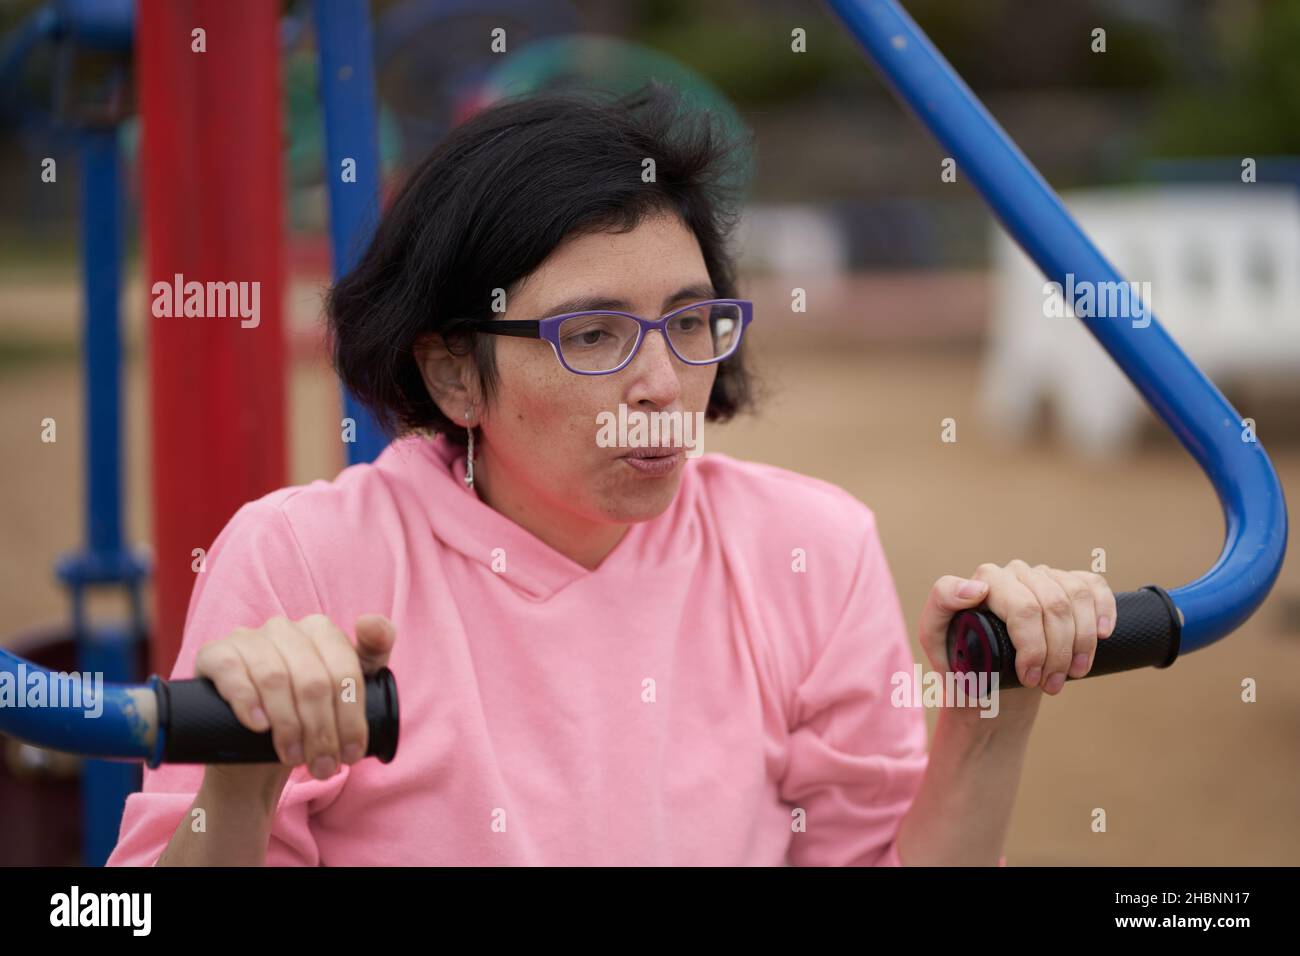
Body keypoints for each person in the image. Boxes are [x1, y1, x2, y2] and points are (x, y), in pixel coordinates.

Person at [107, 84, 1114, 867]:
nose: (661, 380)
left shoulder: (805, 545)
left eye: (688, 322)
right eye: (591, 333)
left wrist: (993, 706)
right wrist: (240, 783)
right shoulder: (307, 557)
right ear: (454, 370)